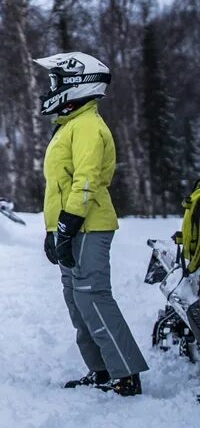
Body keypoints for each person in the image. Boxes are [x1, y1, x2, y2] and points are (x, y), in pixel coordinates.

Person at [35, 51, 148, 396]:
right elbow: (59, 185)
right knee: (76, 301)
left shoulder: (88, 126)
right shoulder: (70, 125)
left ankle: (125, 374)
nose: (49, 88)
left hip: (89, 225)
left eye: (56, 81)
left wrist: (68, 224)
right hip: (70, 227)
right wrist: (53, 230)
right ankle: (101, 370)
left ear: (76, 84)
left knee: (93, 297)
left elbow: (85, 179)